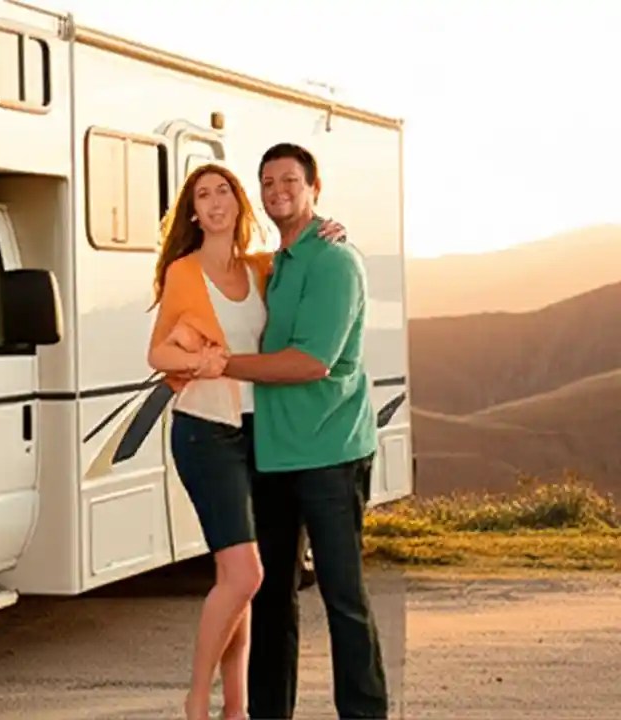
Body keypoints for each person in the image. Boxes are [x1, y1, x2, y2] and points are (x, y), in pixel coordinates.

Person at [146, 162, 344, 720]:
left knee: (237, 581)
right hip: (205, 433)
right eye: (202, 195)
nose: (214, 203)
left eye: (223, 192)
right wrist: (200, 362)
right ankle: (196, 700)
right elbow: (157, 353)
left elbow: (307, 250)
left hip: (260, 434)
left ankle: (238, 708)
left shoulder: (263, 268)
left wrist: (332, 230)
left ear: (238, 204)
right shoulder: (185, 273)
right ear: (193, 212)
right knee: (248, 574)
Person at [209, 142, 389, 720]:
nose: (276, 190)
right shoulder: (276, 264)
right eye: (266, 182)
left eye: (289, 180)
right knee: (273, 604)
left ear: (314, 187)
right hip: (276, 453)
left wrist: (226, 365)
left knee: (344, 601)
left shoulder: (336, 261)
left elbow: (312, 361)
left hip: (332, 455)